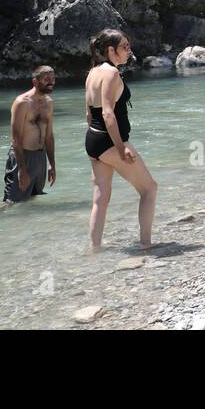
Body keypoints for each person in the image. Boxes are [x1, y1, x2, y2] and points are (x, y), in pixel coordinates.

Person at [84, 29, 157, 252]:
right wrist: (120, 148)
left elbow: (89, 114)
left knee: (100, 198)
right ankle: (146, 245)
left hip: (93, 141)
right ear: (110, 50)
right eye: (124, 47)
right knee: (149, 189)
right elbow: (107, 113)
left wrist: (101, 143)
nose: (129, 51)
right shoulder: (111, 74)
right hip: (110, 142)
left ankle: (94, 249)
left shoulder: (92, 73)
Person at [2, 65, 57, 204]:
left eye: (53, 78)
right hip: (23, 157)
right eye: (46, 79)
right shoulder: (22, 103)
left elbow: (49, 136)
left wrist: (52, 164)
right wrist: (21, 168)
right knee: (11, 202)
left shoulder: (49, 103)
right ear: (35, 82)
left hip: (40, 158)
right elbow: (15, 139)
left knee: (33, 198)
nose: (51, 82)